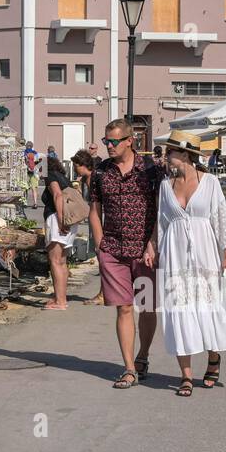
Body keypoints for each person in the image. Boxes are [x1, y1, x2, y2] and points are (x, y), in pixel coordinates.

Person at [145, 136, 226, 397]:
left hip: (205, 252)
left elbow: (221, 219)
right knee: (178, 309)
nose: (166, 155)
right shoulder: (165, 185)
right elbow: (161, 221)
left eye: (171, 151)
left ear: (185, 154)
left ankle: (213, 357)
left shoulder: (211, 183)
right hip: (174, 253)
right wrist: (152, 246)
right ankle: (185, 374)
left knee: (209, 305)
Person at [88, 118, 162, 389]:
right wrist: (100, 245)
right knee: (124, 307)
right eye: (107, 141)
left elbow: (160, 208)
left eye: (114, 141)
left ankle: (143, 355)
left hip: (145, 251)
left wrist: (152, 241)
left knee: (148, 306)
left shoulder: (151, 171)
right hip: (114, 250)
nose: (109, 145)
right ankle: (129, 368)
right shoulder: (100, 172)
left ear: (130, 141)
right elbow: (94, 210)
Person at [40, 156, 76, 309]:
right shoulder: (64, 177)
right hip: (69, 219)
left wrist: (61, 221)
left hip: (57, 218)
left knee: (55, 261)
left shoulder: (51, 176)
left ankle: (60, 301)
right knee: (62, 262)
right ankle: (61, 298)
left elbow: (57, 195)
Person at [23, 141, 39, 207]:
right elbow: (37, 162)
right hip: (34, 172)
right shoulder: (35, 153)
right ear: (32, 146)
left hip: (25, 172)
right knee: (34, 188)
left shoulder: (24, 153)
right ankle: (35, 203)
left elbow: (22, 162)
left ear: (26, 146)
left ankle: (25, 202)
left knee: (25, 188)